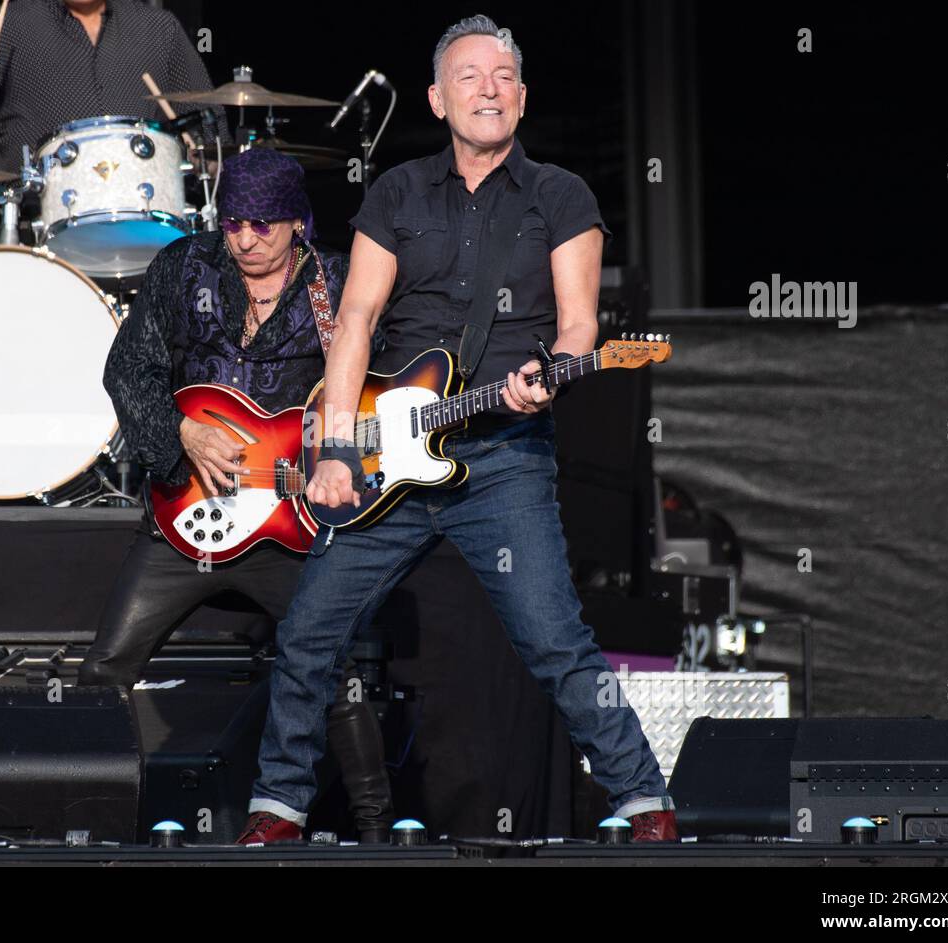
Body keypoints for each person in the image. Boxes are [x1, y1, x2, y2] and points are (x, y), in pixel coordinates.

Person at [237, 15, 677, 845]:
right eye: (470, 75)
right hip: (385, 459)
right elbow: (358, 318)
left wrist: (545, 379)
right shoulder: (398, 192)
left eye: (505, 76)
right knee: (307, 634)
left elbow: (581, 330)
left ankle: (643, 800)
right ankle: (278, 808)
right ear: (438, 99)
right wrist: (335, 444)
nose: (489, 87)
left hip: (503, 456)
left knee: (555, 640)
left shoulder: (560, 196)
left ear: (522, 97)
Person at [77, 148, 394, 843]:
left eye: (262, 224)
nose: (245, 238)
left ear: (297, 225)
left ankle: (378, 834)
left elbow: (379, 386)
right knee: (104, 668)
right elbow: (127, 368)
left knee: (329, 673)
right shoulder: (182, 267)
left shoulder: (335, 284)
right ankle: (87, 824)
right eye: (232, 224)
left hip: (289, 523)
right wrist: (182, 433)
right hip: (183, 508)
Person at [0, 0, 227, 171]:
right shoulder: (6, 24)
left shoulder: (159, 29)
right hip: (39, 231)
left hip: (151, 220)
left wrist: (204, 156)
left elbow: (210, 129)